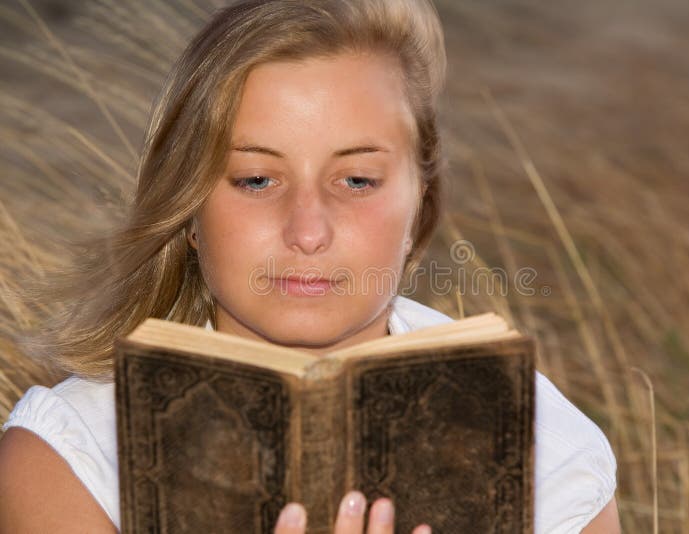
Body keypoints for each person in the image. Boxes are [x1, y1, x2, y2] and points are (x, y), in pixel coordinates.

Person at [0, 1, 619, 532]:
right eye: (256, 179)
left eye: (356, 180)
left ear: (420, 205)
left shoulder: (545, 452)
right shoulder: (74, 460)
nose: (308, 232)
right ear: (189, 210)